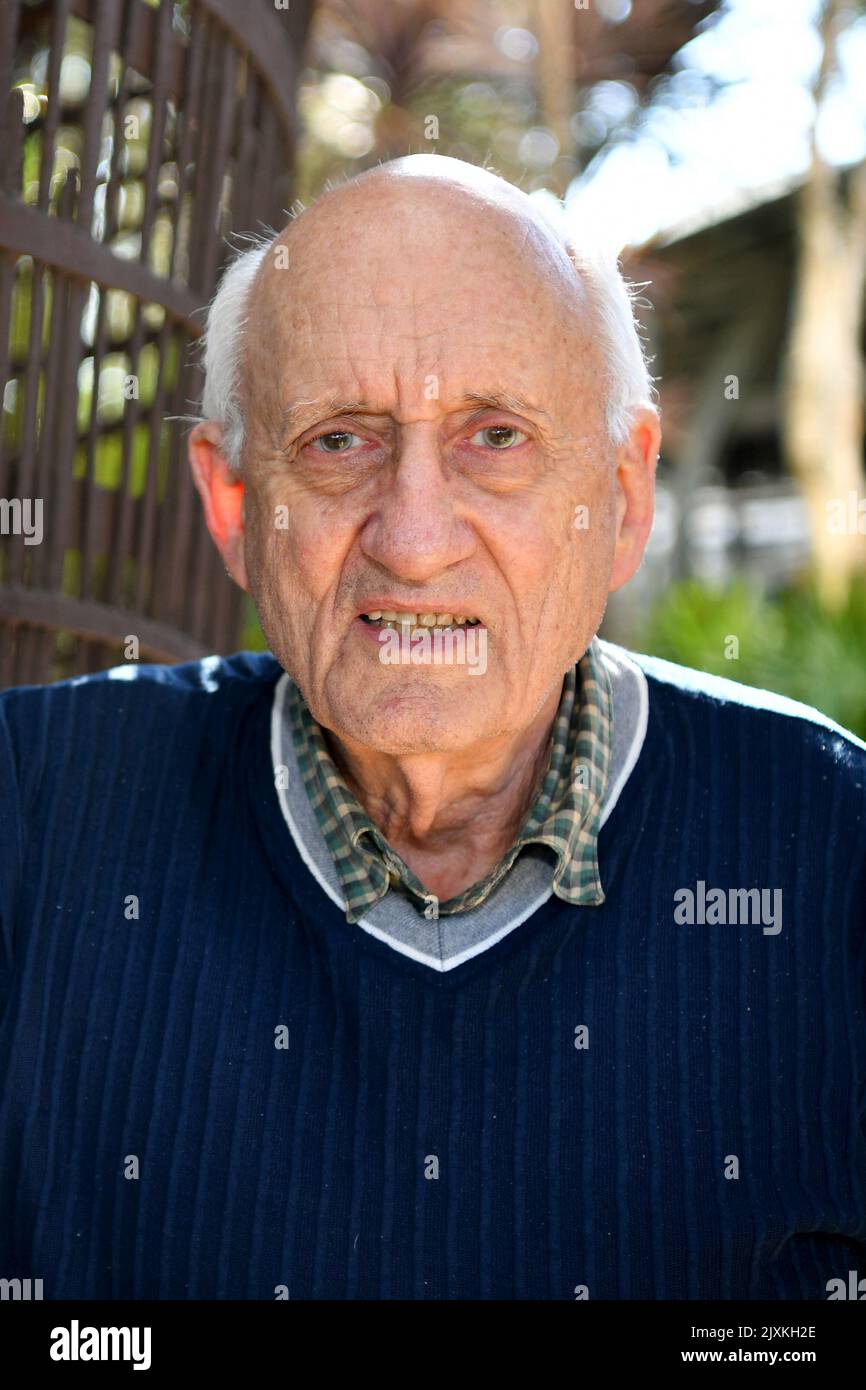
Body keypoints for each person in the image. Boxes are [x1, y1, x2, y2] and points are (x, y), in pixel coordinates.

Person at [1, 156, 863, 1300]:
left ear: (620, 495)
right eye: (338, 440)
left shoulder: (828, 843)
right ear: (234, 505)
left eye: (494, 436)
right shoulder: (32, 812)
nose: (411, 539)